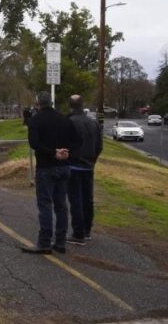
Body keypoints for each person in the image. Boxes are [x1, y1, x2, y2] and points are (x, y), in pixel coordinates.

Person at [22, 91, 81, 254]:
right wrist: (67, 151)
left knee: (45, 204)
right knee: (61, 205)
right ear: (52, 103)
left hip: (45, 167)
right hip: (64, 167)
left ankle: (44, 242)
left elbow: (34, 143)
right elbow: (78, 141)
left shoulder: (35, 121)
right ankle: (61, 242)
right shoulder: (65, 119)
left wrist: (52, 152)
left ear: (38, 104)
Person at [66, 95, 102, 245]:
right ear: (82, 105)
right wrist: (93, 160)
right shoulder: (93, 123)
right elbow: (99, 146)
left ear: (70, 106)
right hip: (89, 165)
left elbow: (65, 143)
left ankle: (78, 233)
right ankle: (87, 230)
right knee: (88, 199)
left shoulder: (69, 122)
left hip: (73, 165)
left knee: (76, 200)